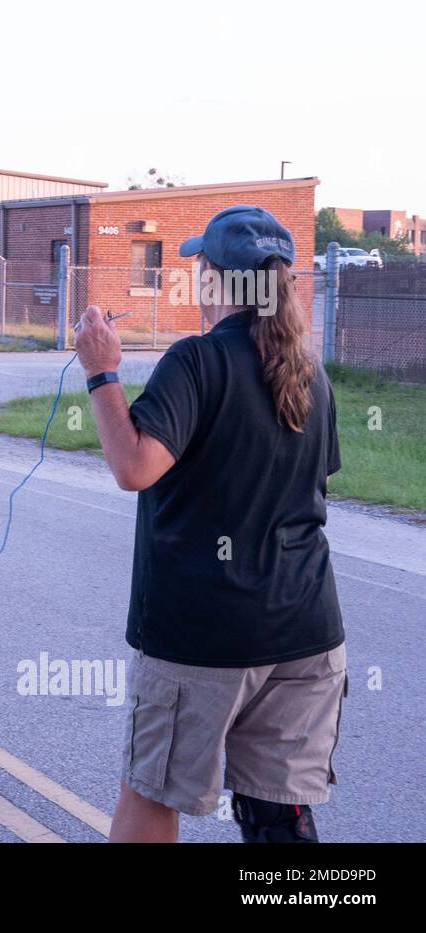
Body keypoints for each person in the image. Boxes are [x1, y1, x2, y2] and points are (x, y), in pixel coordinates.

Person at [73, 205, 346, 844]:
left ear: (219, 281)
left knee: (151, 796)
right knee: (277, 814)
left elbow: (135, 466)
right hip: (305, 631)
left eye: (200, 266)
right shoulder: (312, 372)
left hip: (203, 637)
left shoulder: (196, 361)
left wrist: (101, 372)